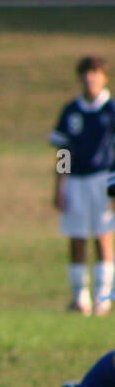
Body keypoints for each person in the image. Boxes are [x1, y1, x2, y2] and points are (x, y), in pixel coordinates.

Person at [50, 56, 114, 315]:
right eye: (86, 74)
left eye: (95, 73)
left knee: (103, 235)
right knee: (76, 237)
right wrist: (59, 186)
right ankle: (80, 298)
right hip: (75, 180)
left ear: (104, 78)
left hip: (103, 179)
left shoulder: (110, 110)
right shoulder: (71, 111)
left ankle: (103, 296)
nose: (90, 78)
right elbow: (63, 151)